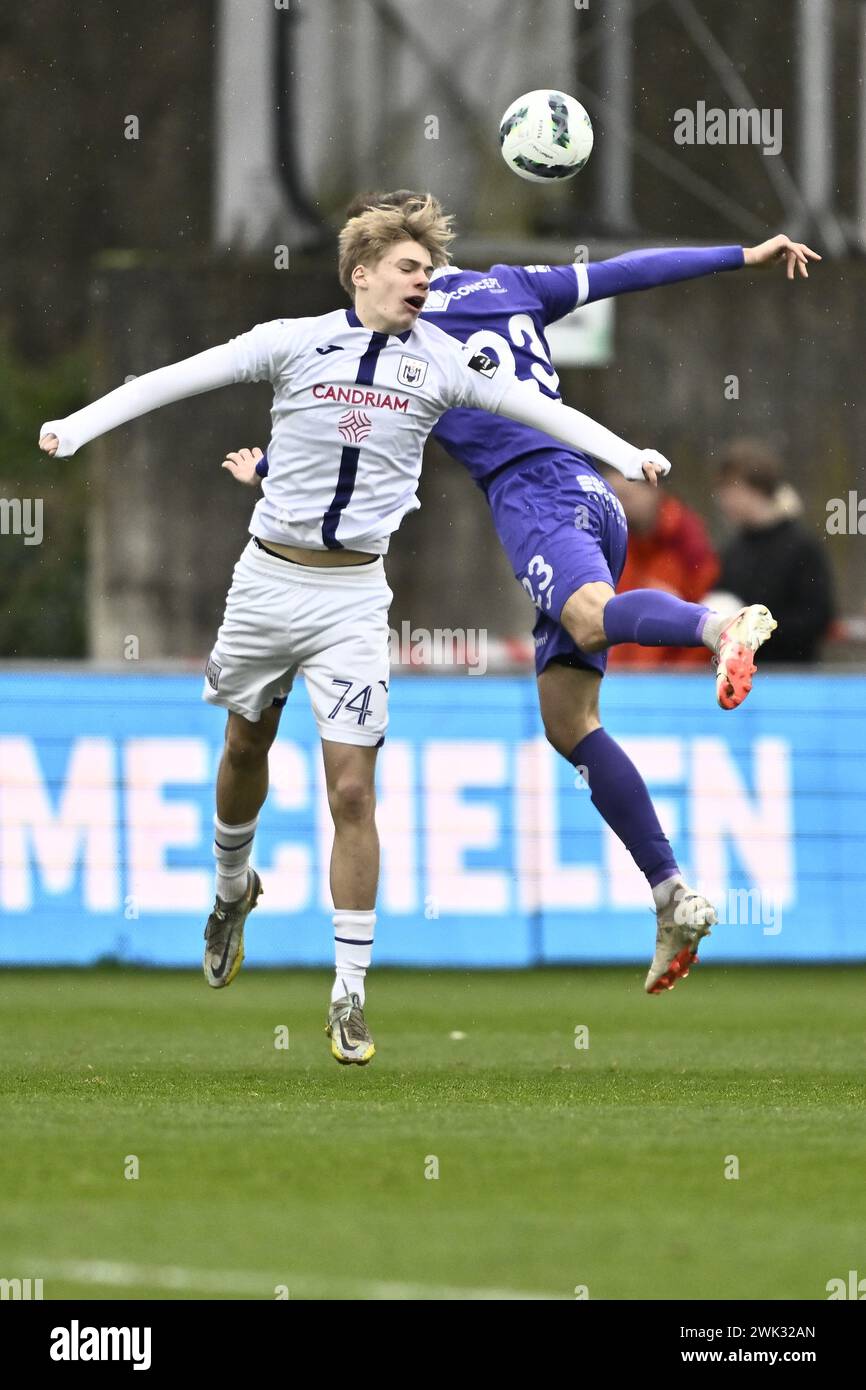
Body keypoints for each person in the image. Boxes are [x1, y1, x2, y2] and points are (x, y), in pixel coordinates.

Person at [37, 196, 669, 1065]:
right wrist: (77, 426)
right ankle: (231, 892)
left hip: (352, 601)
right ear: (362, 273)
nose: (424, 283)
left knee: (352, 795)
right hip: (266, 581)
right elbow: (173, 377)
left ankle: (349, 994)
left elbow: (537, 409)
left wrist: (624, 455)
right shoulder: (291, 341)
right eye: (410, 269)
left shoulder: (442, 363)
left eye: (429, 271)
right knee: (245, 751)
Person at [231, 191, 817, 1000]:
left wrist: (267, 472)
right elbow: (627, 271)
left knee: (586, 615)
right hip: (593, 488)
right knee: (569, 720)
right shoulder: (514, 284)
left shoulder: (407, 332)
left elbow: (347, 443)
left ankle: (717, 627)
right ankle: (669, 890)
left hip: (535, 491)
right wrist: (739, 255)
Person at [714, 439, 835, 663]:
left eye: (730, 488)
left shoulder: (802, 548)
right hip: (737, 678)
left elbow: (817, 618)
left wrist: (756, 629)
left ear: (757, 489)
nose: (724, 500)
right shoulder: (732, 552)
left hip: (791, 679)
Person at [602, 474, 720, 669]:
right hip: (624, 678)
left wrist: (680, 674)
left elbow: (708, 616)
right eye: (613, 497)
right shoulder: (618, 540)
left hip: (671, 681)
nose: (619, 504)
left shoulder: (686, 544)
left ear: (652, 490)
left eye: (625, 495)